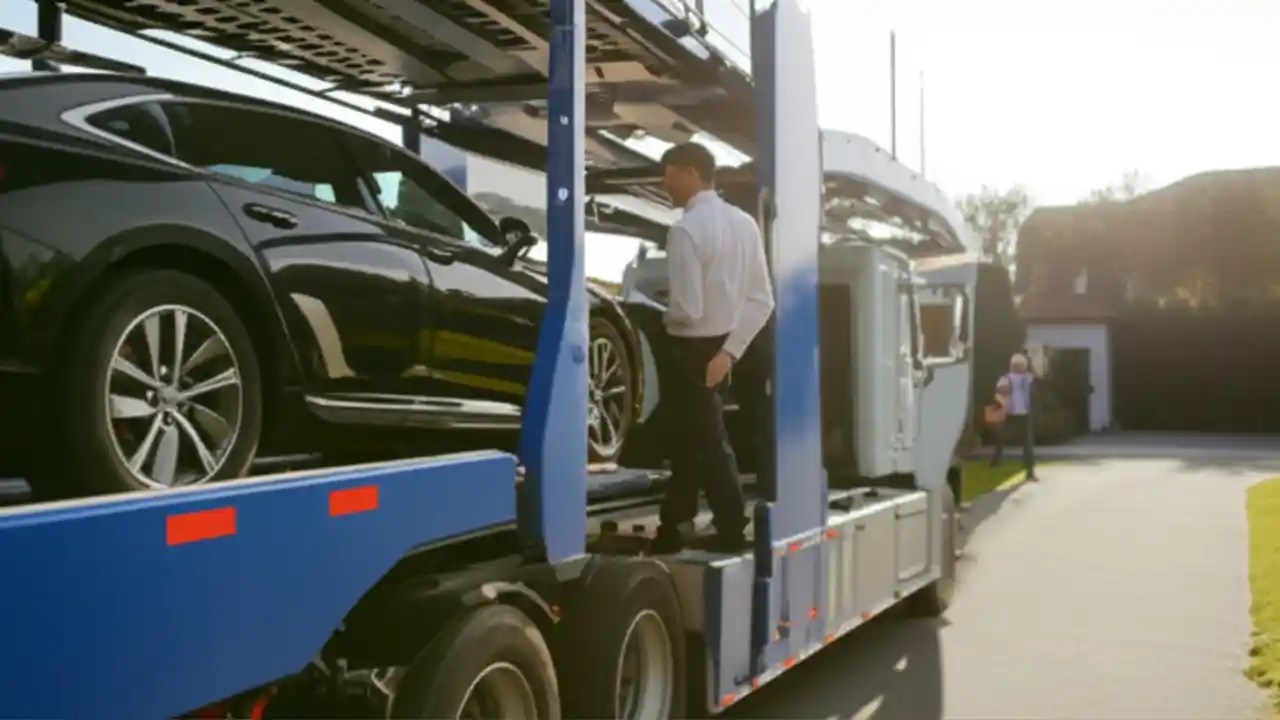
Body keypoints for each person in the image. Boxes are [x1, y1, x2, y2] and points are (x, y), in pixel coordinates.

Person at [651, 141, 775, 553]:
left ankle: (731, 523)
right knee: (692, 437)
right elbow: (762, 300)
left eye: (668, 172)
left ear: (690, 172)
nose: (664, 183)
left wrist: (662, 318)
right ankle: (675, 523)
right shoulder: (745, 225)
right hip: (722, 349)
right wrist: (729, 353)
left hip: (689, 350)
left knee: (704, 438)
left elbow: (687, 308)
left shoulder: (684, 231)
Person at [991, 352, 1039, 480]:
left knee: (1026, 443)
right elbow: (999, 396)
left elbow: (1036, 381)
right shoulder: (1006, 378)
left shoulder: (1027, 378)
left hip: (1024, 413)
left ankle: (1030, 471)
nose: (1020, 367)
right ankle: (997, 461)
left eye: (1022, 365)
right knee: (1001, 439)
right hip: (1009, 413)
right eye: (1019, 365)